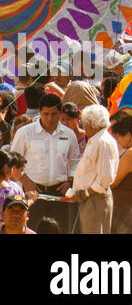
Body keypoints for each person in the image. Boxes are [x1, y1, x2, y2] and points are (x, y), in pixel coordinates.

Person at [10, 92, 79, 232]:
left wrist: (70, 181)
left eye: (54, 114)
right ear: (40, 112)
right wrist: (26, 182)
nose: (50, 118)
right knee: (31, 230)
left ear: (60, 113)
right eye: (46, 113)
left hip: (59, 193)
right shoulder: (25, 133)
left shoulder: (69, 134)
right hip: (33, 193)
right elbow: (13, 162)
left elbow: (75, 160)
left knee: (60, 230)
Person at [69, 104, 117, 234]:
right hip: (91, 198)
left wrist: (86, 193)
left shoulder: (102, 142)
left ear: (90, 124)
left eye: (84, 124)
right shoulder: (97, 140)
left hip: (96, 199)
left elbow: (106, 177)